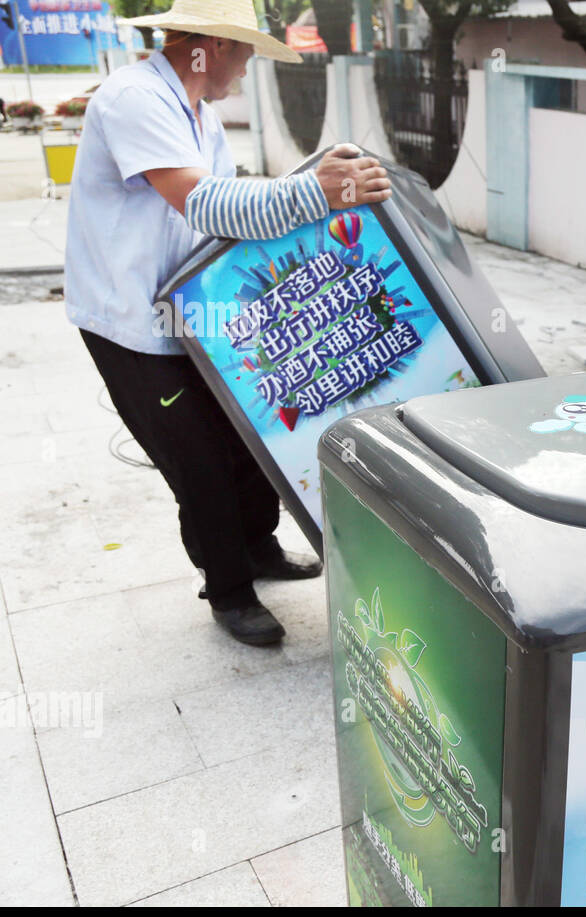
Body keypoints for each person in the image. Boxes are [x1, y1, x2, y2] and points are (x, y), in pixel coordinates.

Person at [64, 0, 391, 645]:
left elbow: (231, 211)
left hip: (194, 312)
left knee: (244, 440)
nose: (245, 69)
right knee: (201, 460)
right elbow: (205, 202)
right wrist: (314, 192)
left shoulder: (200, 115)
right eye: (244, 52)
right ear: (209, 46)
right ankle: (229, 589)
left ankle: (259, 550)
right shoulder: (134, 100)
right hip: (133, 320)